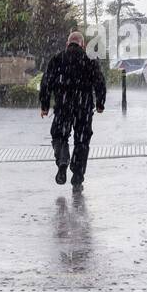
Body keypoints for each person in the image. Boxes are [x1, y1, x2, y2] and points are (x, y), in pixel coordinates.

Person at [39, 31, 106, 190]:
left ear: (67, 44)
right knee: (82, 142)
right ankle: (77, 177)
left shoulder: (57, 59)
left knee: (59, 135)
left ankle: (62, 160)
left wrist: (45, 105)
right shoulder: (89, 60)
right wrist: (100, 103)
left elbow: (46, 83)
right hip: (83, 108)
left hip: (63, 107)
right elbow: (100, 82)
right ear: (83, 45)